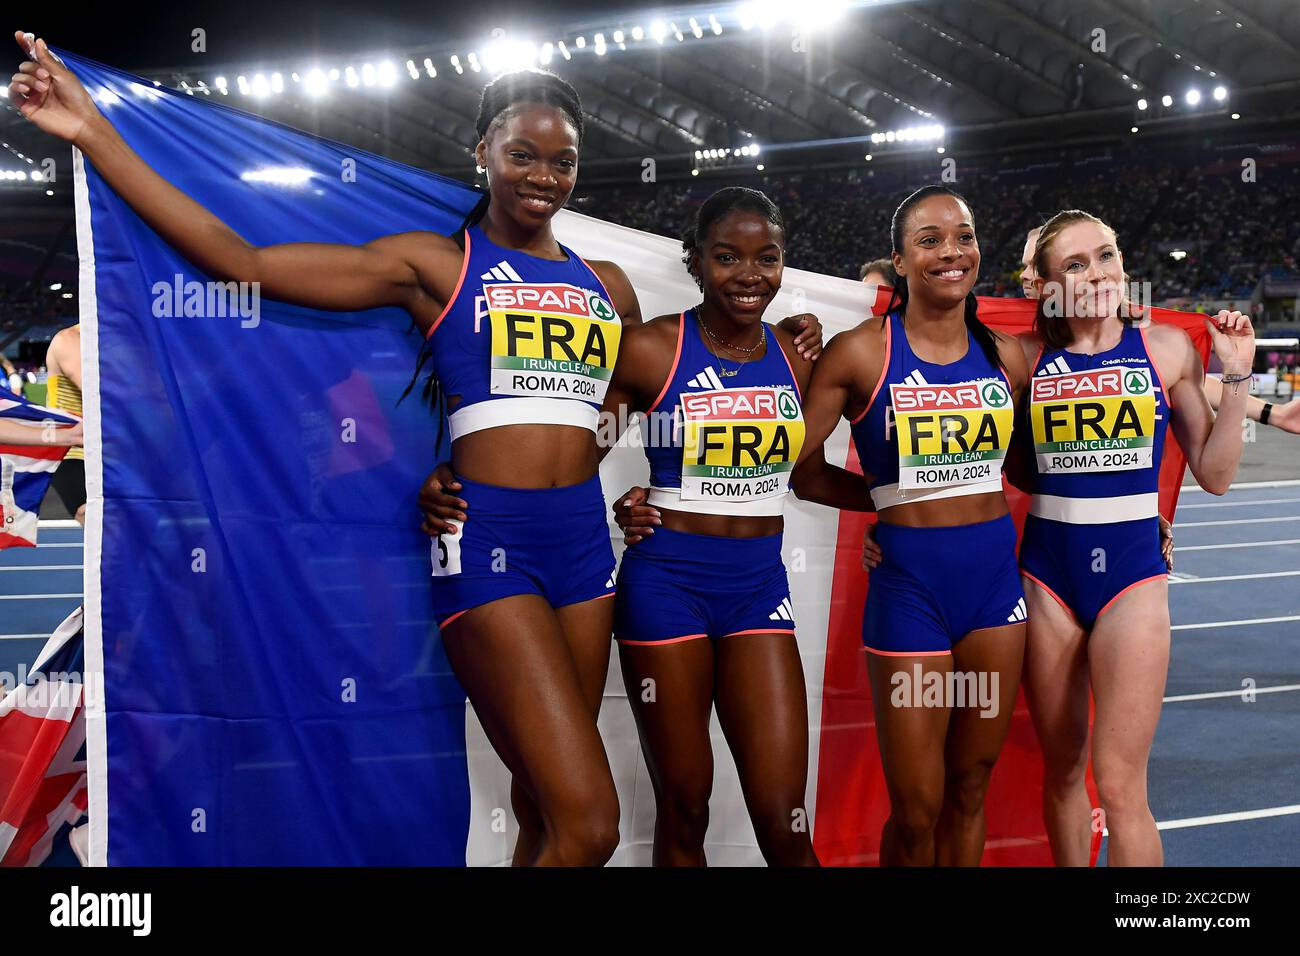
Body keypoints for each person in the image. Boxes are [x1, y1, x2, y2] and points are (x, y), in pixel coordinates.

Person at [11, 32, 720, 866]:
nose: (543, 177)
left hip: (582, 551)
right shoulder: (434, 265)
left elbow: (622, 404)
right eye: (522, 153)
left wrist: (629, 485)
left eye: (563, 162)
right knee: (591, 824)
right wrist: (94, 130)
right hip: (489, 545)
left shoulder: (612, 285)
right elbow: (241, 260)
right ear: (482, 150)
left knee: (545, 810)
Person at [589, 188, 869, 866]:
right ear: (698, 263)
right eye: (727, 258)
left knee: (785, 819)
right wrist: (617, 508)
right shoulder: (652, 349)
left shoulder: (797, 356)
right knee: (685, 808)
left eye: (766, 259)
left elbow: (810, 477)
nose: (749, 275)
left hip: (757, 589)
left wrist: (907, 504)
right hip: (666, 584)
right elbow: (572, 459)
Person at [793, 185, 1030, 865]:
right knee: (919, 808)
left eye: (964, 236)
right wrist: (889, 505)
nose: (952, 252)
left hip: (992, 595)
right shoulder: (860, 353)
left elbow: (1026, 472)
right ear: (899, 259)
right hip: (910, 600)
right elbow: (802, 471)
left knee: (969, 787)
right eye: (929, 240)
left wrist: (1137, 516)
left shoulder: (1007, 358)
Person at [1015, 209, 1254, 866]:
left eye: (1107, 255)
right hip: (1046, 578)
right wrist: (887, 529)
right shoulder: (1024, 360)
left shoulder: (1167, 349)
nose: (1099, 273)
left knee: (1120, 790)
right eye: (1075, 263)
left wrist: (1236, 378)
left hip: (1132, 578)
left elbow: (1215, 475)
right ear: (1044, 285)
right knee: (1062, 773)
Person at [1021, 224, 1299, 433]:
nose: (1023, 274)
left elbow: (1183, 376)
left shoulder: (1125, 327)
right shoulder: (1005, 334)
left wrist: (1272, 413)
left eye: (1032, 265)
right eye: (1023, 265)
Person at [42, 324, 86, 524]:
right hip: (73, 451)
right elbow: (100, 392)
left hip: (122, 451)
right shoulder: (68, 340)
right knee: (94, 515)